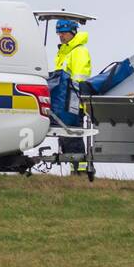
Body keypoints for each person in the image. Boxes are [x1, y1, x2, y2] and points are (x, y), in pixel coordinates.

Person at [55, 19, 92, 173]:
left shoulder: (78, 51)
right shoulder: (65, 51)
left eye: (64, 33)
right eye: (59, 33)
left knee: (73, 136)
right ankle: (75, 169)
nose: (61, 36)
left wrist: (74, 103)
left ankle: (80, 170)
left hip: (73, 103)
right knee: (66, 136)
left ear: (73, 33)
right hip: (65, 102)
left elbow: (78, 80)